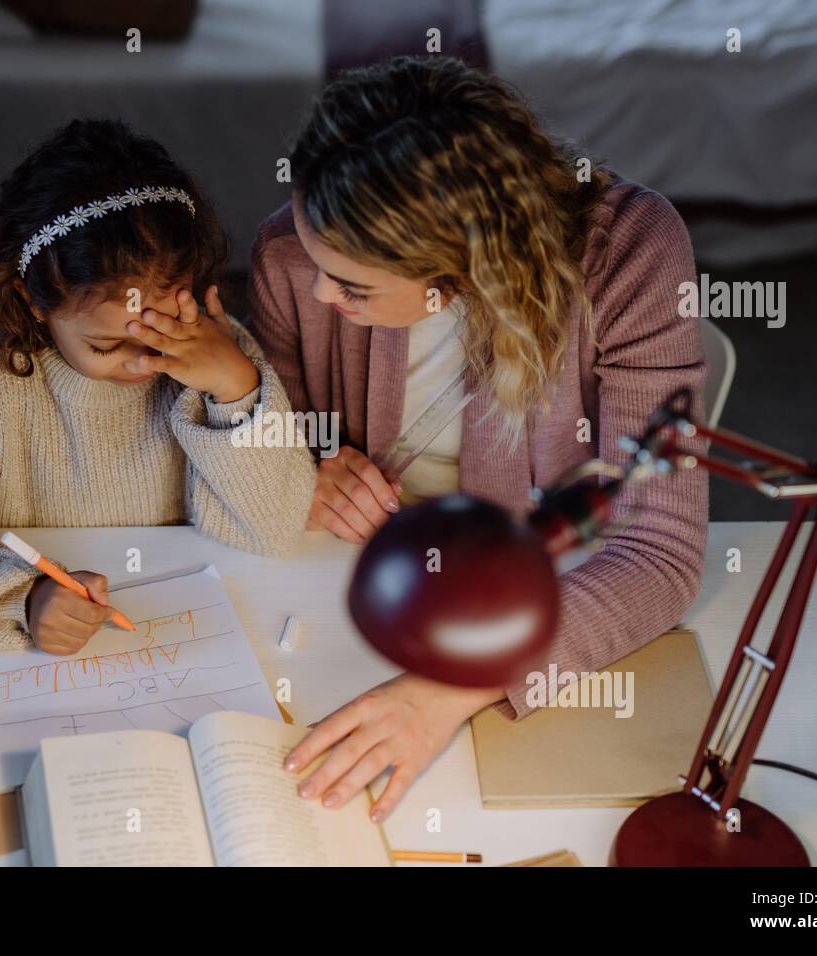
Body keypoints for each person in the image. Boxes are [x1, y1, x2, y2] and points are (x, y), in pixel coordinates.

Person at [249, 57, 708, 821]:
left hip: (545, 590)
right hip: (349, 585)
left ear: (461, 266)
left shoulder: (632, 250)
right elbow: (276, 430)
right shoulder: (294, 254)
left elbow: (658, 549)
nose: (321, 295)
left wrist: (447, 694)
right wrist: (306, 464)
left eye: (354, 288)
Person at [0, 119, 315, 654]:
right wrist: (19, 599)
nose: (148, 361)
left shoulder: (215, 354)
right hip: (44, 658)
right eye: (105, 346)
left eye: (165, 326)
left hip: (183, 628)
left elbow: (275, 530)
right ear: (37, 304)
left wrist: (235, 387)